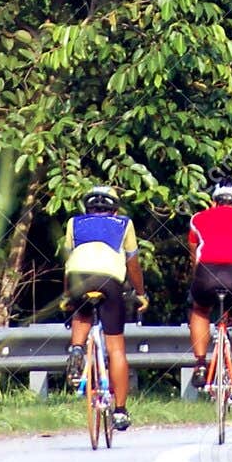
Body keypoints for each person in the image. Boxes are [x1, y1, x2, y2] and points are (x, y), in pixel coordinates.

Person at [61, 185, 147, 433]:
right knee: (116, 348)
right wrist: (140, 294)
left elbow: (70, 261)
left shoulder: (73, 223)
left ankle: (77, 349)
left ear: (87, 208)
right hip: (109, 280)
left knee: (81, 311)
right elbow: (132, 263)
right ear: (115, 208)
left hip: (78, 276)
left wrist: (68, 294)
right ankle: (119, 411)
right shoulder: (124, 224)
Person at [188, 175, 232, 411]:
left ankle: (199, 364)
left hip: (206, 275)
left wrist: (197, 284)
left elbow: (194, 259)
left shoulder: (197, 219)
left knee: (199, 311)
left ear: (214, 201)